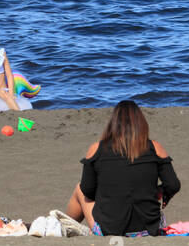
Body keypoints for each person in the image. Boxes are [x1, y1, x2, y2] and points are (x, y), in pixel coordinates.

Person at [63, 100, 180, 237]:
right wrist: (159, 191)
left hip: (109, 230)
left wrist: (111, 194)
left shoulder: (97, 149)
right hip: (149, 229)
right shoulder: (155, 147)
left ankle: (63, 227)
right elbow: (173, 184)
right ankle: (63, 227)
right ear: (141, 124)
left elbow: (87, 190)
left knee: (79, 189)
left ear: (113, 124)